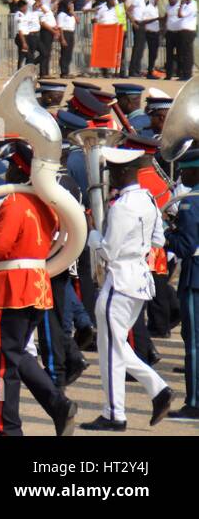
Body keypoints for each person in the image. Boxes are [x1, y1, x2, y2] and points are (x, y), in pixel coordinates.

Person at [0, 144, 78, 436]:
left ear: (20, 170)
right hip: (36, 287)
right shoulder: (47, 204)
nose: (7, 171)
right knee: (16, 355)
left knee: (2, 367)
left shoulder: (14, 202)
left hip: (11, 289)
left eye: (11, 166)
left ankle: (7, 428)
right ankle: (57, 404)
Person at [81, 147, 173, 430]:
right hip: (139, 279)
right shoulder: (147, 198)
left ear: (122, 173)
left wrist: (92, 232)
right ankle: (156, 388)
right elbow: (158, 241)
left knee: (110, 350)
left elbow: (107, 251)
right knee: (115, 345)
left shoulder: (122, 205)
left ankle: (114, 413)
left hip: (120, 280)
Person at [165, 150, 199, 420]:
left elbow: (186, 247)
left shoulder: (190, 203)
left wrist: (168, 235)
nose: (183, 177)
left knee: (194, 344)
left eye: (186, 171)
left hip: (195, 277)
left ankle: (195, 402)